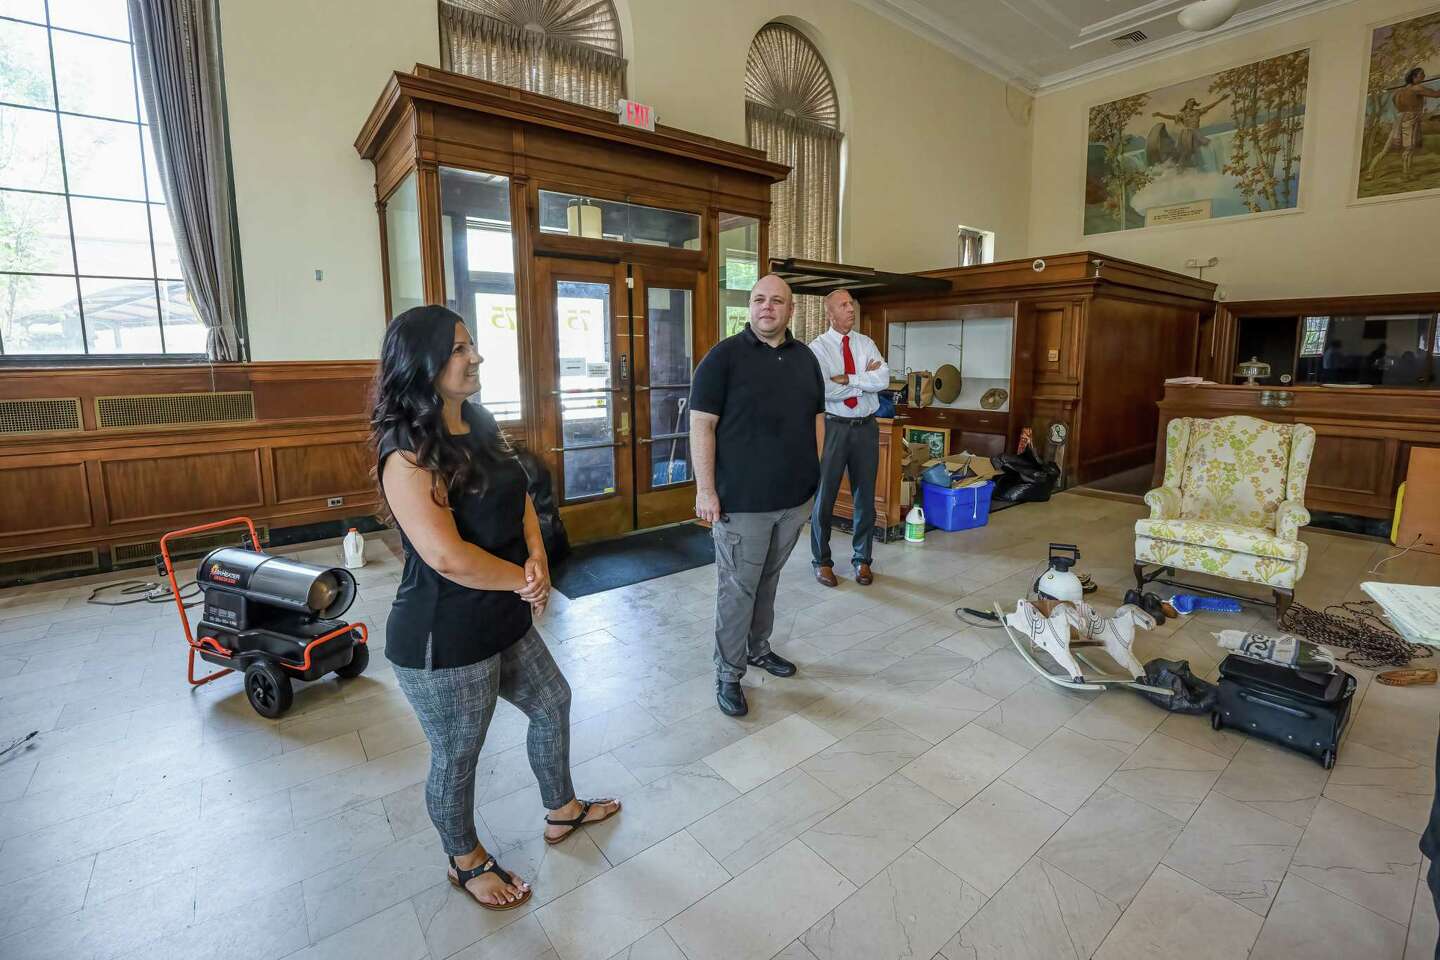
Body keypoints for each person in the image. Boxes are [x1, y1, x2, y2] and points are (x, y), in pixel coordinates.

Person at [372, 305, 619, 911]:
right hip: (445, 633)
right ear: (423, 362)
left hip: (501, 610)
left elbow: (521, 498)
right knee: (459, 754)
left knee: (553, 700)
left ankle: (561, 809)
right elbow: (447, 557)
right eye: (459, 348)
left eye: (472, 345)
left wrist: (536, 560)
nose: (475, 356)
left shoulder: (477, 421)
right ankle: (464, 859)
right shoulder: (405, 452)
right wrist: (523, 581)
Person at [689, 275, 824, 717]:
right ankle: (728, 674)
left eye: (777, 301)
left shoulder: (806, 359)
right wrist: (705, 490)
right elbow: (701, 426)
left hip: (793, 500)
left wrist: (814, 475)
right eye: (759, 300)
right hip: (741, 504)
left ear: (790, 310)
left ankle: (759, 649)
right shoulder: (722, 358)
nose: (767, 307)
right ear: (750, 306)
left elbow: (816, 420)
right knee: (737, 589)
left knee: (767, 581)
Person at [807, 288, 888, 586]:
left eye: (851, 304)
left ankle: (862, 560)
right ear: (830, 313)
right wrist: (863, 384)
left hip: (866, 427)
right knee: (824, 496)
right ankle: (822, 560)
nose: (851, 309)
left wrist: (849, 379)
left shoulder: (866, 344)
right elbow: (825, 390)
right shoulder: (818, 348)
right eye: (843, 305)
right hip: (833, 428)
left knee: (865, 497)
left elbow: (883, 379)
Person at [1367, 67, 1440, 180]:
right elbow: (1436, 94)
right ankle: (1406, 175)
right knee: (1409, 149)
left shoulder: (1398, 92)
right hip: (1411, 120)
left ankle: (1370, 172)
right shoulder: (1417, 88)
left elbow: (1398, 107)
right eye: (1422, 75)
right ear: (1414, 77)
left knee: (1385, 150)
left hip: (1399, 121)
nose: (1424, 77)